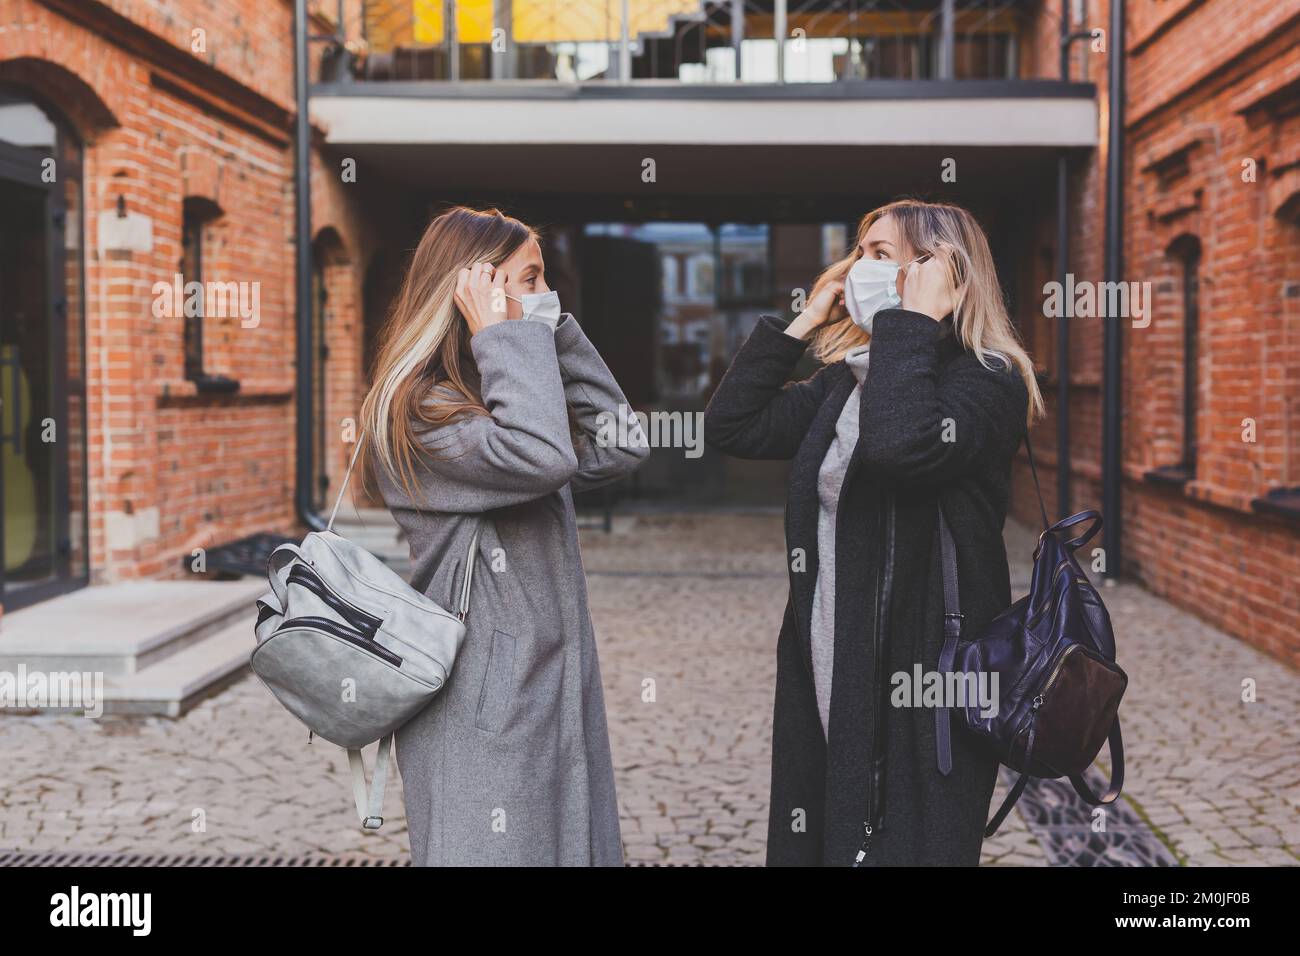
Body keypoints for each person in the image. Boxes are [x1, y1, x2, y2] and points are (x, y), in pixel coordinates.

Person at [703, 199, 1044, 866]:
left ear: (943, 274)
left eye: (884, 255)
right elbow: (733, 427)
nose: (862, 266)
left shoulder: (988, 380)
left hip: (925, 674)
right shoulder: (845, 383)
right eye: (863, 251)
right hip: (828, 646)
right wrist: (805, 321)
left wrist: (912, 324)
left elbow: (901, 448)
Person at [361, 206, 649, 865]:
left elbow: (620, 446)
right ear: (469, 292)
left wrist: (556, 334)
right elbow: (544, 458)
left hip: (543, 680)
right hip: (483, 702)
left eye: (544, 281)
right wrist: (508, 340)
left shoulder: (510, 390)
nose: (540, 297)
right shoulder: (422, 413)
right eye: (523, 281)